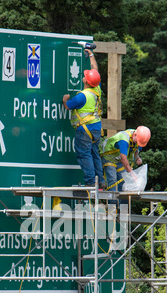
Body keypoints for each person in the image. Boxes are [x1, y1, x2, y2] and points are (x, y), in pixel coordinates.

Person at [63, 49, 106, 189]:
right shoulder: (97, 89)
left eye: (86, 76)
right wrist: (91, 55)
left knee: (84, 155)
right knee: (95, 154)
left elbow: (68, 106)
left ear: (86, 81)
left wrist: (65, 100)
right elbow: (95, 69)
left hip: (85, 131)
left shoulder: (83, 96)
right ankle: (100, 182)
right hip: (96, 129)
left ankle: (90, 182)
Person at [99, 127, 151, 194]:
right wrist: (132, 173)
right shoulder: (124, 139)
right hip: (109, 157)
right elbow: (123, 158)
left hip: (119, 160)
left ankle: (123, 204)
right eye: (137, 141)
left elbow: (135, 149)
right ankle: (112, 204)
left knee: (123, 182)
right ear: (134, 134)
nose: (138, 143)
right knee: (112, 180)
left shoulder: (139, 139)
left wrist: (137, 158)